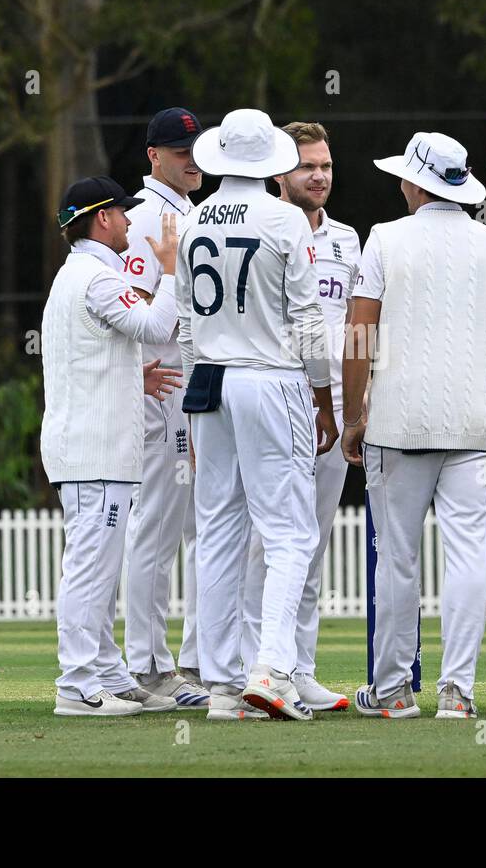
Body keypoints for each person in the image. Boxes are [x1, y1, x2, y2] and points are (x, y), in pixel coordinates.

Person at [343, 131, 486, 719]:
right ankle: (459, 691)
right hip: (474, 425)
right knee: (468, 556)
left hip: (397, 421)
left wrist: (352, 415)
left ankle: (395, 690)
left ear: (413, 183)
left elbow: (359, 336)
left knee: (397, 557)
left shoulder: (384, 239)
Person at [177, 109, 337, 722]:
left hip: (211, 382)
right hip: (270, 379)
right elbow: (305, 319)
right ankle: (270, 668)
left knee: (217, 531)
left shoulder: (193, 222)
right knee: (291, 531)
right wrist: (323, 397)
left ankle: (221, 684)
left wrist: (195, 403)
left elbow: (188, 323)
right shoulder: (284, 220)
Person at [41, 175, 183, 717]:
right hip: (93, 451)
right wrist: (169, 268)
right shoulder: (99, 278)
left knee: (98, 565)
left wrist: (131, 378)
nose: (128, 222)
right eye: (122, 213)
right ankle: (77, 683)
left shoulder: (75, 277)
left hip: (91, 447)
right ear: (101, 218)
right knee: (91, 567)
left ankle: (105, 671)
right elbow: (156, 324)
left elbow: (84, 356)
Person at [239, 121, 361, 712]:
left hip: (334, 406)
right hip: (278, 397)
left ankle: (299, 667)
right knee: (267, 543)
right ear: (280, 174)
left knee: (309, 544)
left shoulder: (348, 238)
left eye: (327, 166)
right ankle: (256, 666)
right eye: (307, 166)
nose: (319, 176)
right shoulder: (265, 225)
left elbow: (356, 327)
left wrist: (358, 403)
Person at [118, 108, 210, 708]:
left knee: (194, 526)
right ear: (154, 155)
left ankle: (194, 659)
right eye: (179, 150)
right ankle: (147, 666)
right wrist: (136, 373)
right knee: (155, 524)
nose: (192, 157)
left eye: (195, 147)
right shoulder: (142, 217)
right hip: (164, 387)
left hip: (192, 384)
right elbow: (129, 304)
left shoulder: (191, 213)